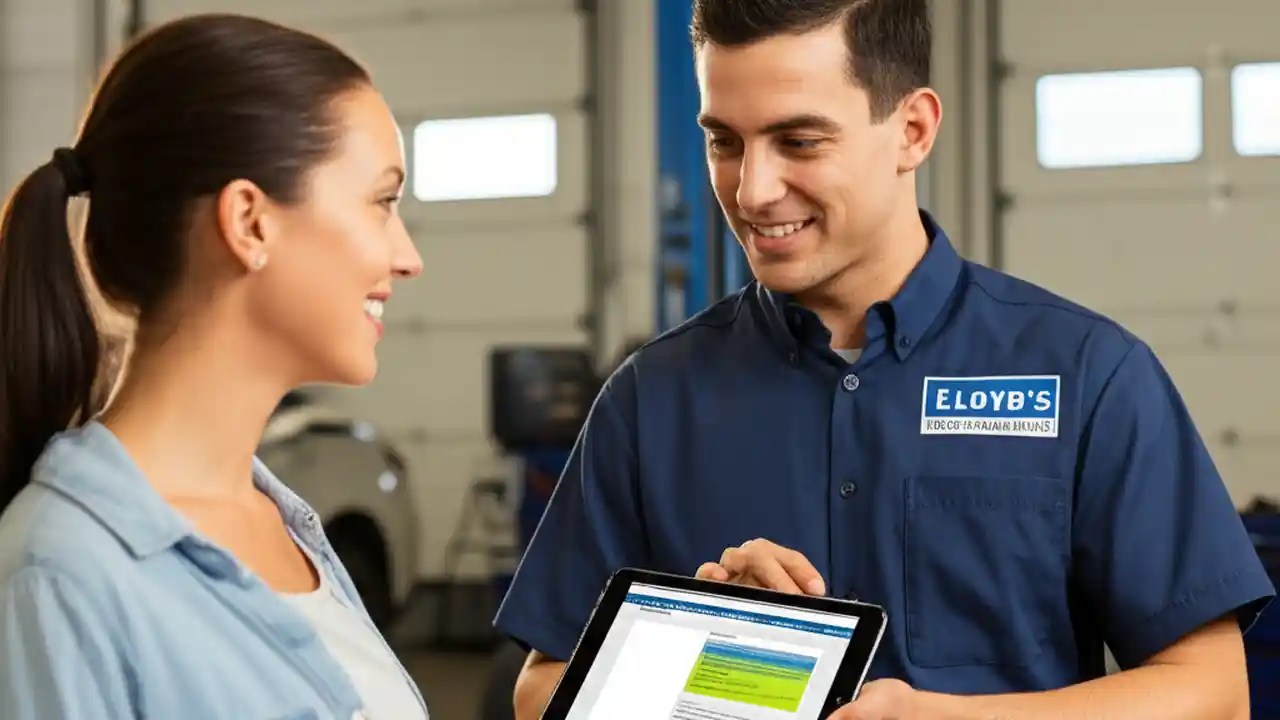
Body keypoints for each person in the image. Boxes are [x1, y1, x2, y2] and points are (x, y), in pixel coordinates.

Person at [495, 1, 1275, 718]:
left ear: (913, 130)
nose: (753, 189)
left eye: (798, 141)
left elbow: (1212, 691)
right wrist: (702, 651)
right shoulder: (651, 400)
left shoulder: (1085, 376)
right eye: (723, 142)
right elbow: (538, 690)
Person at [0, 14, 427, 720]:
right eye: (383, 202)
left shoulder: (283, 525)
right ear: (250, 223)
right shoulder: (62, 579)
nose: (408, 257)